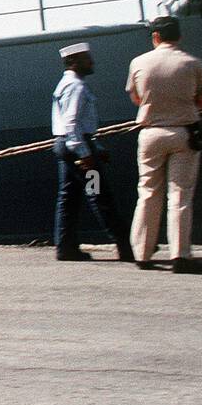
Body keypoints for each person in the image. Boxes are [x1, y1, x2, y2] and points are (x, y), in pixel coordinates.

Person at [126, 16, 202, 272]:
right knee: (180, 194)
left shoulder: (138, 62)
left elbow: (136, 98)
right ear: (179, 37)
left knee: (148, 192)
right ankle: (180, 255)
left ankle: (142, 253)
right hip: (183, 133)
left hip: (150, 133)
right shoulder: (192, 63)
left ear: (155, 37)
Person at [50, 43, 134, 262]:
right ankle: (127, 246)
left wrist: (96, 148)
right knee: (99, 195)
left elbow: (74, 126)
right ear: (74, 62)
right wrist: (86, 154)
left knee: (68, 197)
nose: (92, 62)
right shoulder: (75, 86)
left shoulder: (67, 84)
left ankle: (65, 247)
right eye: (88, 59)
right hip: (76, 149)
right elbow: (72, 123)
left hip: (68, 146)